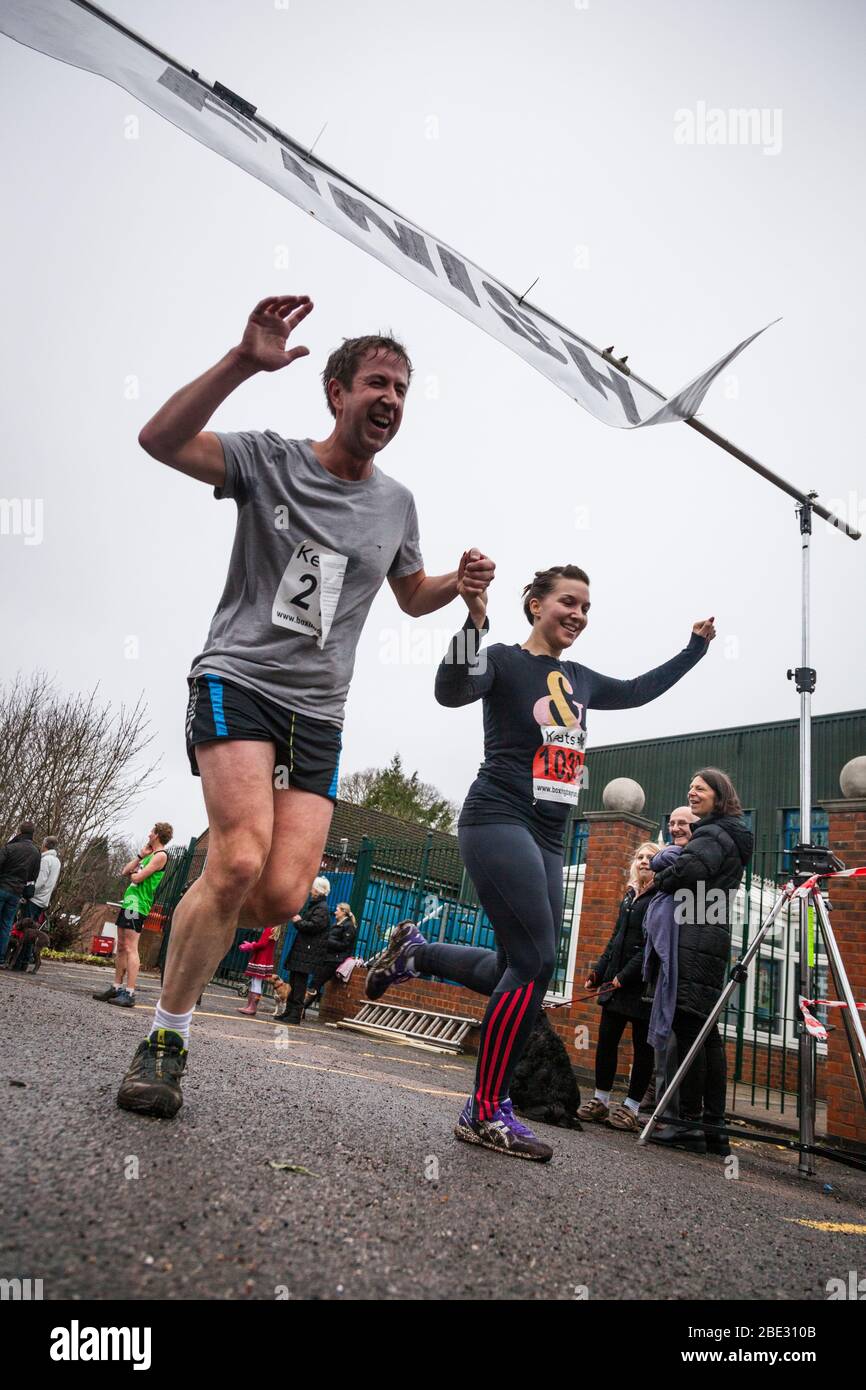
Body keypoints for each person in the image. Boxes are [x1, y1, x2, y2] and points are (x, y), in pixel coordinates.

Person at [117, 296, 494, 1118]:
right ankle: (166, 1036)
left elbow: (407, 593)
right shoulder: (270, 460)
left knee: (284, 896)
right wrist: (242, 362)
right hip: (239, 680)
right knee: (242, 858)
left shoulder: (397, 503)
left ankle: (201, 900)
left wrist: (456, 590)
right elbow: (160, 441)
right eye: (376, 383)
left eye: (401, 387)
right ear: (335, 391)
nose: (390, 399)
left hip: (319, 712)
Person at [366, 563, 716, 1162]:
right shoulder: (503, 659)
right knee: (534, 960)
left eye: (586, 607)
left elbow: (637, 690)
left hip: (550, 834)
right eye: (568, 602)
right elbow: (450, 692)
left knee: (513, 963)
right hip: (498, 815)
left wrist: (695, 649)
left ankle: (416, 953)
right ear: (534, 604)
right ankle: (482, 1110)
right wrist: (474, 620)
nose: (578, 614)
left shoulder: (579, 677)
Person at [647, 769, 753, 1155]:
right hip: (711, 927)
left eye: (700, 789)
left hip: (694, 934)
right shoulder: (733, 834)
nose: (692, 793)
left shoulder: (711, 833)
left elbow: (687, 871)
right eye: (690, 787)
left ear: (719, 795)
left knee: (690, 1027)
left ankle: (685, 1125)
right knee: (706, 1032)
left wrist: (660, 876)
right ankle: (714, 1129)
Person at [577, 841, 660, 1132]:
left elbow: (651, 945)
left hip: (642, 985)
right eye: (640, 857)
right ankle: (600, 1101)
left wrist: (625, 975)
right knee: (607, 1041)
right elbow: (615, 939)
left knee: (642, 1048)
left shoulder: (659, 898)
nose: (644, 861)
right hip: (614, 983)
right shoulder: (629, 896)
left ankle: (631, 1108)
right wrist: (599, 972)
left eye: (651, 857)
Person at [640, 807, 697, 1118]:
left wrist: (665, 857)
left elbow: (664, 861)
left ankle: (669, 1111)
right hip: (661, 962)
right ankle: (661, 1105)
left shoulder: (690, 860)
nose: (676, 827)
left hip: (680, 958)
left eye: (683, 823)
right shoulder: (670, 864)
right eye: (672, 822)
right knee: (662, 1034)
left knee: (672, 1035)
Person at [93, 824, 173, 1008]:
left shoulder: (161, 856)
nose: (149, 833)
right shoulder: (149, 855)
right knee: (121, 946)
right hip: (129, 903)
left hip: (137, 906)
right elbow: (125, 871)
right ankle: (116, 987)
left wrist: (135, 873)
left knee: (130, 947)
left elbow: (137, 878)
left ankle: (129, 992)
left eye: (152, 832)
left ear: (158, 835)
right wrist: (139, 857)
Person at [275, 877, 331, 1025]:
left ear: (318, 890)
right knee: (294, 982)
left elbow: (314, 926)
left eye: (313, 888)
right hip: (304, 951)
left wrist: (298, 921)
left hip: (308, 952)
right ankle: (288, 1012)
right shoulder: (317, 906)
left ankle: (295, 1015)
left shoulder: (322, 908)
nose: (310, 890)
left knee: (299, 984)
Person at [6, 835, 62, 971]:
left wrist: (28, 892)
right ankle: (24, 963)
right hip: (44, 900)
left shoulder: (45, 860)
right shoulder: (56, 861)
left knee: (25, 935)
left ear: (45, 845)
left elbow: (40, 882)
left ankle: (19, 963)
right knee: (33, 935)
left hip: (35, 900)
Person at [0, 821, 42, 965]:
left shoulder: (10, 847)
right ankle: (0, 957)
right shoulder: (36, 853)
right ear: (32, 833)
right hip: (17, 892)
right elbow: (33, 876)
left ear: (20, 831)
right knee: (6, 925)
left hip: (2, 886)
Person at [305, 901, 357, 1007]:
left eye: (337, 910)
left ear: (343, 912)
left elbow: (345, 945)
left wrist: (327, 941)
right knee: (315, 982)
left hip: (335, 960)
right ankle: (302, 1009)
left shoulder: (348, 926)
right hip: (327, 957)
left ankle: (302, 1007)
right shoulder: (337, 924)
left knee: (315, 982)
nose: (335, 912)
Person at [236, 925, 278, 1017]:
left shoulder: (269, 928)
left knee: (256, 983)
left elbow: (262, 944)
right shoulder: (275, 928)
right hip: (265, 958)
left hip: (261, 958)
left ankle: (252, 1007)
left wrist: (251, 945)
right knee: (255, 982)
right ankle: (250, 1006)